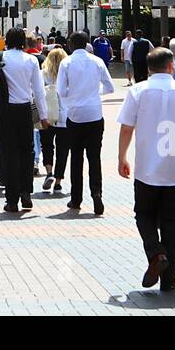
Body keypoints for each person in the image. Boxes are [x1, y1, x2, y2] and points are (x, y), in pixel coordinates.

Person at [117, 48, 175, 291]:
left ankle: (156, 254)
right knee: (171, 222)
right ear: (171, 67)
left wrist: (121, 157)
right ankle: (170, 278)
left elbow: (127, 127)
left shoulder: (137, 91)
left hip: (146, 167)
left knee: (143, 214)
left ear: (148, 69)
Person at [0, 28, 50, 214]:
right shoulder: (31, 60)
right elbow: (39, 90)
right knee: (27, 151)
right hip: (24, 110)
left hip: (5, 111)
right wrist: (43, 115)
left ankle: (12, 200)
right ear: (24, 42)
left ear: (7, 40)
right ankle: (26, 191)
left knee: (8, 153)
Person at [56, 32, 115, 214]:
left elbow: (61, 91)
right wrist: (95, 94)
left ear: (71, 45)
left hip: (75, 116)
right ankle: (97, 194)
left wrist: (74, 96)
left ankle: (76, 198)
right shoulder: (97, 61)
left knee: (76, 157)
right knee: (94, 157)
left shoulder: (66, 63)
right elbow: (110, 87)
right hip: (95, 115)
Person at [39, 46, 69, 196]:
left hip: (47, 115)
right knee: (63, 149)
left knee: (47, 146)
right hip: (65, 117)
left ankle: (49, 171)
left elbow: (36, 92)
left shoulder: (43, 74)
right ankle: (58, 181)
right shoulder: (68, 73)